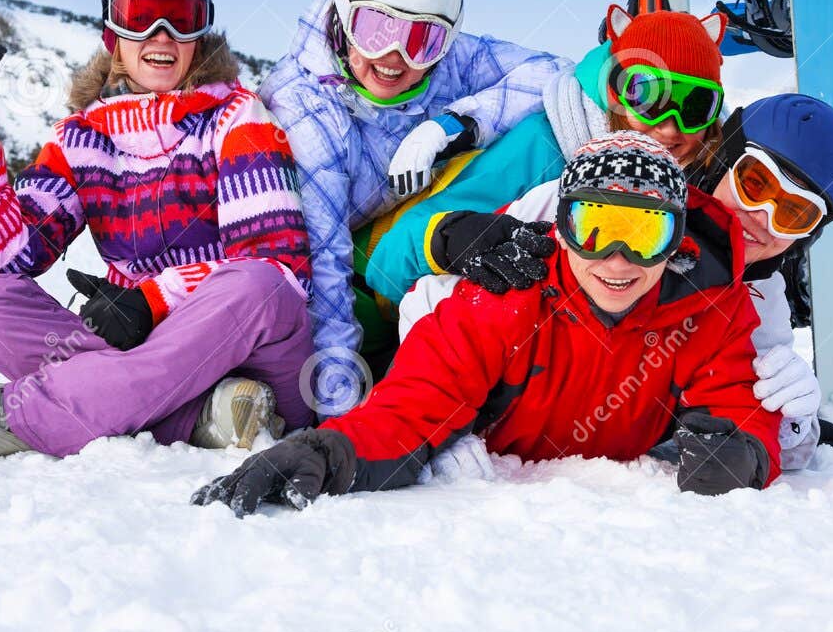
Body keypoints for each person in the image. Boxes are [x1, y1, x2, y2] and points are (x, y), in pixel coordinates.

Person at [191, 132, 782, 516]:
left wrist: (741, 451)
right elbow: (416, 402)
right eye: (595, 226)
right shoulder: (512, 296)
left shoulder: (711, 308)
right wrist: (330, 450)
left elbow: (737, 399)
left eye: (646, 232)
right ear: (562, 225)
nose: (618, 259)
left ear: (676, 239)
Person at [0, 0, 315, 459]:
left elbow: (278, 267)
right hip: (139, 345)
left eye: (181, 18)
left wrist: (153, 299)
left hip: (247, 351)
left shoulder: (239, 118)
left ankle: (23, 416)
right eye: (139, 16)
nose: (161, 35)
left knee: (256, 285)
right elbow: (4, 258)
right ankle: (200, 417)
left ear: (199, 35)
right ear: (113, 37)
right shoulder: (83, 139)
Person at [412, 93, 833, 470]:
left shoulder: (764, 308)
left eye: (794, 213)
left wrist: (798, 420)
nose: (762, 218)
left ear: (808, 234)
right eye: (756, 183)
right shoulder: (601, 193)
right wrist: (449, 237)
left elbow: (752, 426)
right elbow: (433, 294)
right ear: (724, 157)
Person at [259, 0, 570, 408]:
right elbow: (323, 259)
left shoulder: (444, 66)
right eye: (374, 30)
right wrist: (336, 391)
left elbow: (555, 72)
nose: (394, 57)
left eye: (421, 39)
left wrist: (451, 127)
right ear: (343, 17)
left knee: (540, 134)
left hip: (411, 234)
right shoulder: (307, 112)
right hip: (347, 281)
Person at [357, 3, 728, 317]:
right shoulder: (545, 151)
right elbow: (386, 263)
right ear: (613, 92)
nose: (667, 127)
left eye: (695, 106)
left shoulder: (703, 177)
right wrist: (451, 239)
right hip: (410, 323)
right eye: (646, 96)